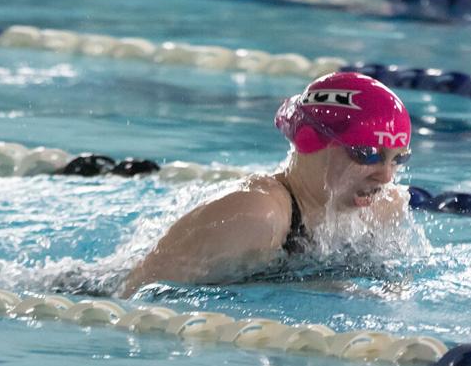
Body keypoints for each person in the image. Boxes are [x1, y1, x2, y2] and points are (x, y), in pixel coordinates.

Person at [120, 73, 413, 297]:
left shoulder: (386, 209)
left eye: (398, 159)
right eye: (365, 154)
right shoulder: (256, 214)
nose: (386, 176)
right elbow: (133, 294)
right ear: (310, 141)